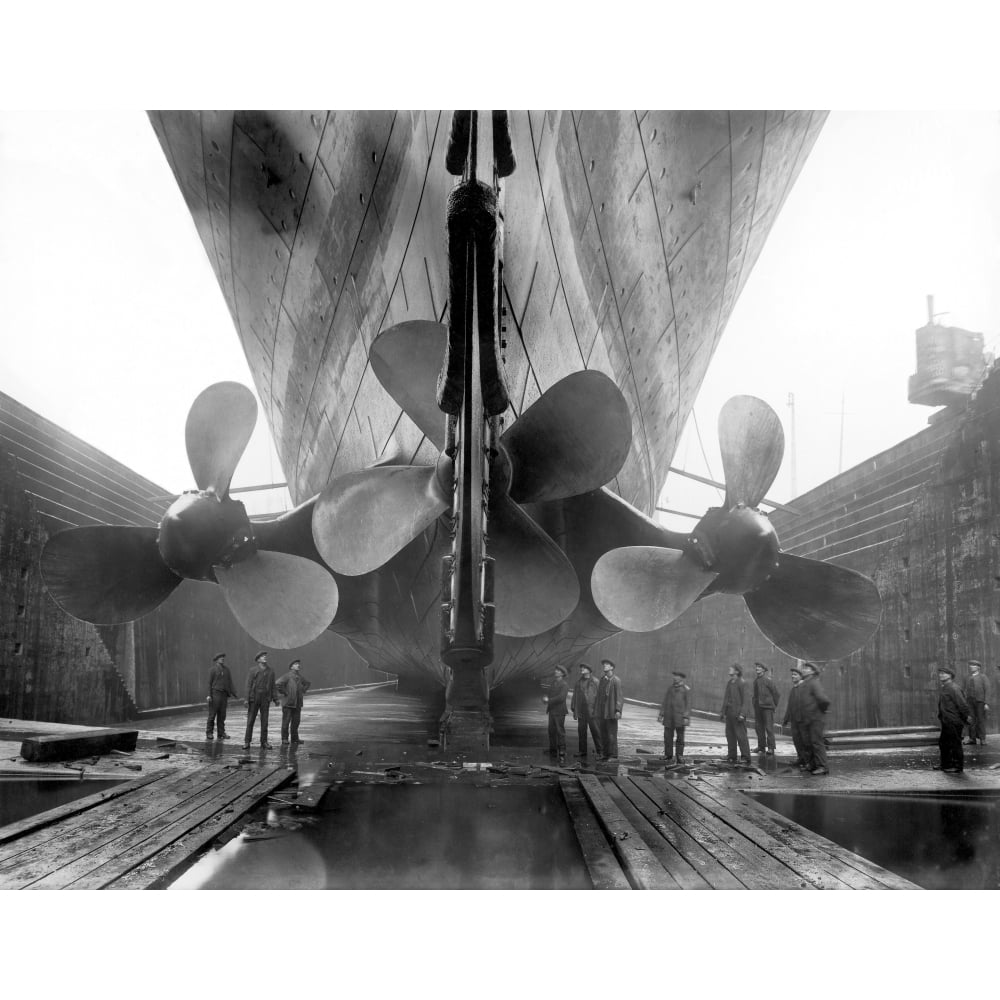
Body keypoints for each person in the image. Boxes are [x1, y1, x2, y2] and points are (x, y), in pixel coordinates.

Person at [799, 662, 831, 775]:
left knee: (817, 742)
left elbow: (823, 700)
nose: (804, 670)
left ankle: (823, 766)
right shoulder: (806, 683)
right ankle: (813, 765)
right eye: (804, 668)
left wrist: (821, 711)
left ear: (813, 671)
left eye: (807, 668)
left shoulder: (814, 682)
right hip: (808, 719)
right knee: (809, 743)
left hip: (815, 718)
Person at [937, 664, 970, 773]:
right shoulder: (945, 687)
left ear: (950, 675)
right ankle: (946, 764)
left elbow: (962, 705)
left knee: (955, 744)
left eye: (944, 673)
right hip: (946, 720)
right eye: (940, 673)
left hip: (953, 720)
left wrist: (965, 718)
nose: (941, 675)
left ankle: (958, 766)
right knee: (943, 743)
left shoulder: (953, 688)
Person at [243, 651, 277, 750]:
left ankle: (264, 742)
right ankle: (247, 742)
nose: (264, 657)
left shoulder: (271, 671)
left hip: (265, 698)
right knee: (250, 721)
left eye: (265, 656)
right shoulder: (253, 670)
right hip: (254, 697)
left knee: (265, 721)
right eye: (262, 656)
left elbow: (273, 686)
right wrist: (246, 699)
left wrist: (275, 698)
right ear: (258, 660)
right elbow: (248, 685)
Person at [720, 663, 751, 764]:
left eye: (731, 668)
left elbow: (746, 700)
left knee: (741, 736)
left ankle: (745, 757)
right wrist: (723, 712)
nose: (729, 669)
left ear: (737, 671)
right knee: (730, 735)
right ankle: (732, 756)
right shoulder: (730, 682)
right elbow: (726, 698)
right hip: (729, 713)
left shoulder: (742, 683)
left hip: (738, 714)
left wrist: (742, 714)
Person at [657, 670, 691, 762]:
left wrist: (686, 717)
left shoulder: (685, 690)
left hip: (680, 718)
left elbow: (688, 705)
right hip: (669, 717)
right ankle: (668, 755)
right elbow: (665, 702)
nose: (674, 677)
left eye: (676, 676)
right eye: (674, 676)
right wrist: (661, 714)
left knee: (680, 738)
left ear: (681, 678)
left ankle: (679, 756)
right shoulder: (670, 688)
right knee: (667, 737)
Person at [570, 663, 602, 759]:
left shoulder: (595, 681)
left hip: (592, 711)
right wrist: (574, 708)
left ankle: (601, 752)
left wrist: (597, 711)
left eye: (584, 668)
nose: (582, 669)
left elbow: (600, 698)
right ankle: (582, 751)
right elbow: (575, 696)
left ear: (589, 670)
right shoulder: (578, 682)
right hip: (581, 711)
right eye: (581, 668)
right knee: (581, 731)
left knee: (596, 732)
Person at [276, 659, 311, 746]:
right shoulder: (287, 676)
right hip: (288, 703)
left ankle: (295, 739)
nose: (298, 665)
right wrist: (285, 692)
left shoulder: (300, 677)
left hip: (297, 703)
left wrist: (303, 690)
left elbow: (307, 683)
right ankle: (284, 739)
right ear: (291, 667)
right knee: (286, 722)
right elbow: (277, 683)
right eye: (296, 664)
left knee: (296, 722)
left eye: (298, 664)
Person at [595, 659, 623, 761]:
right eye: (604, 664)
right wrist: (596, 710)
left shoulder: (616, 680)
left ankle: (613, 755)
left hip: (611, 712)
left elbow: (619, 696)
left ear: (612, 667)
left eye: (607, 664)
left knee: (611, 734)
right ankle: (605, 754)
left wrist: (618, 710)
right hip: (602, 712)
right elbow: (599, 696)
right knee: (603, 734)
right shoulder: (603, 679)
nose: (604, 666)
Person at [205, 652, 237, 740]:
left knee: (222, 715)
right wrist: (209, 695)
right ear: (216, 660)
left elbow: (230, 682)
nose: (222, 659)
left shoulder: (227, 670)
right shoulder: (212, 670)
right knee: (212, 715)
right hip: (215, 694)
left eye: (223, 657)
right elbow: (209, 683)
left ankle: (221, 733)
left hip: (224, 695)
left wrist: (234, 693)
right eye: (220, 657)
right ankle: (209, 733)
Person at [751, 661, 780, 755]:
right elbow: (755, 695)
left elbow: (776, 694)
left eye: (759, 667)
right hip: (758, 708)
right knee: (759, 728)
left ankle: (771, 748)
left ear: (763, 670)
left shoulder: (768, 681)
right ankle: (761, 747)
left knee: (769, 728)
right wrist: (754, 703)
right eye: (756, 667)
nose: (757, 668)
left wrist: (773, 705)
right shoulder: (755, 681)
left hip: (767, 708)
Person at [783, 666, 808, 767]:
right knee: (796, 740)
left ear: (801, 676)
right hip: (795, 721)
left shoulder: (804, 688)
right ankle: (800, 759)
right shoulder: (793, 689)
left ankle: (807, 761)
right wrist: (786, 719)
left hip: (803, 720)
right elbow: (790, 705)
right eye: (792, 674)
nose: (792, 676)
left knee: (804, 741)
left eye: (795, 675)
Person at [543, 665, 569, 764]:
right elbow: (549, 694)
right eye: (556, 670)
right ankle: (553, 750)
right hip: (552, 711)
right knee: (551, 731)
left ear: (562, 674)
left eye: (558, 671)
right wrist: (545, 698)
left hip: (559, 711)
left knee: (560, 731)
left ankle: (562, 751)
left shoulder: (564, 685)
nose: (556, 671)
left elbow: (561, 698)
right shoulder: (553, 683)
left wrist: (549, 700)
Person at [963, 660, 990, 746]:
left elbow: (987, 690)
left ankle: (982, 739)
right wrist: (964, 701)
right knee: (971, 720)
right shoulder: (967, 677)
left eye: (973, 665)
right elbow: (964, 690)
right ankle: (972, 739)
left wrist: (986, 703)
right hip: (969, 701)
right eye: (971, 665)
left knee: (981, 720)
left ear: (978, 667)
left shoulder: (983, 677)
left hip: (980, 701)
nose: (971, 667)